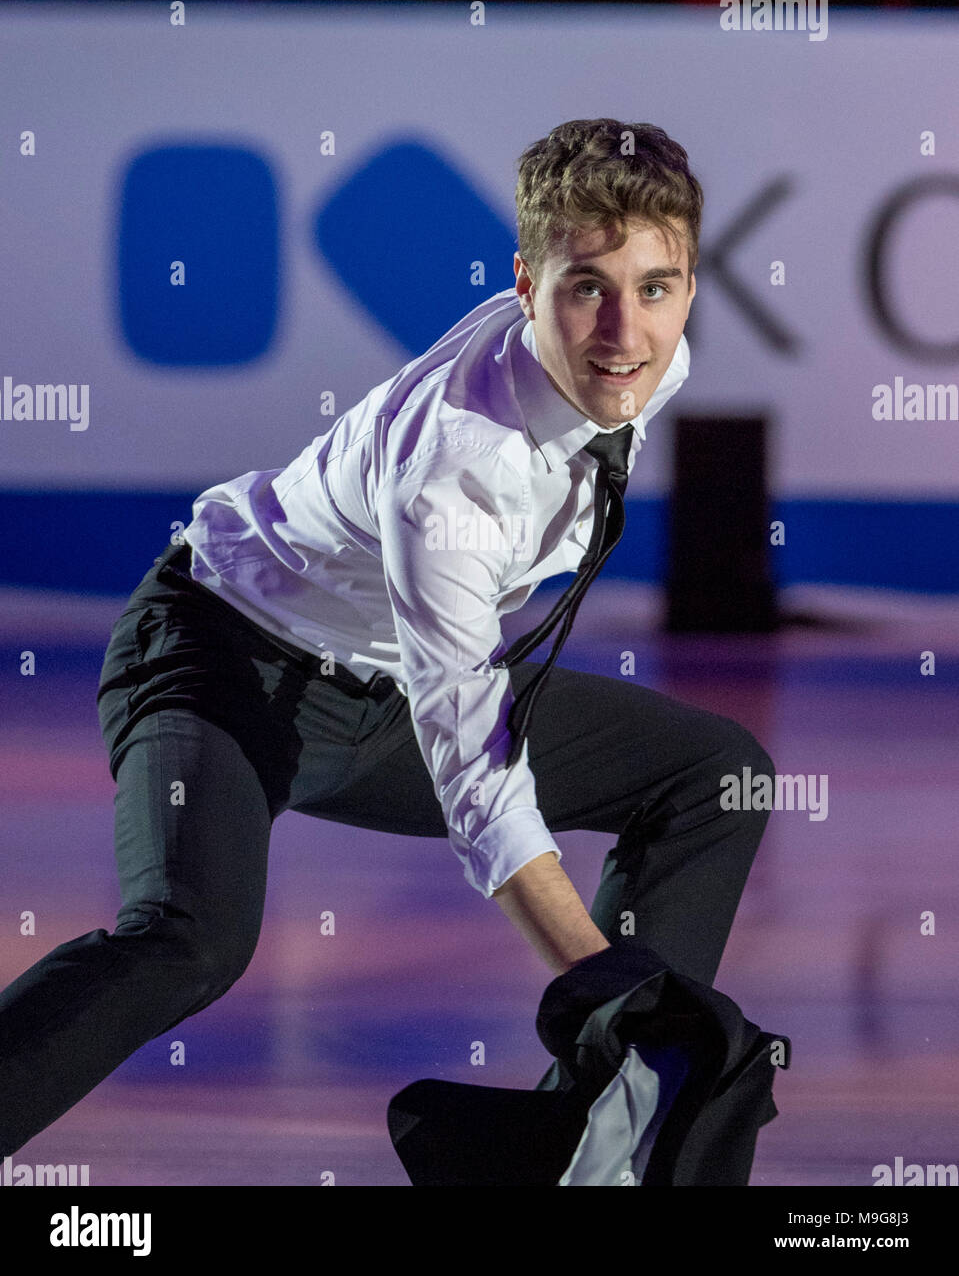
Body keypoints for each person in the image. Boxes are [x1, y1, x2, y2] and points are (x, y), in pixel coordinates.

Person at [0, 118, 774, 1161]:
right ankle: (624, 1053)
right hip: (219, 657)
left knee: (715, 775)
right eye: (586, 286)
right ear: (524, 283)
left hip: (377, 686)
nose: (624, 333)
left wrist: (619, 1012)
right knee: (191, 936)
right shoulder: (454, 470)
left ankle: (596, 1141)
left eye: (656, 287)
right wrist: (608, 991)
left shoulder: (645, 358)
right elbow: (477, 783)